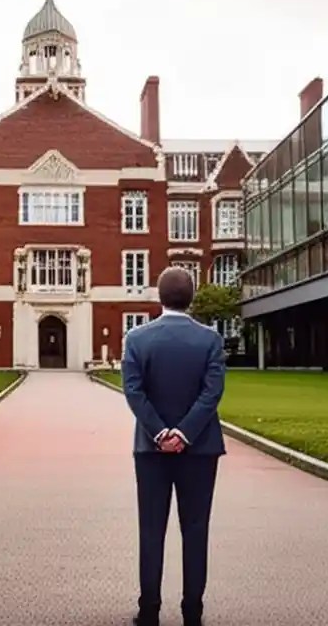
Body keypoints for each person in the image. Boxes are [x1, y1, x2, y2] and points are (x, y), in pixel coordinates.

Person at [121, 266, 226, 626]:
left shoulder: (137, 338)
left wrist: (161, 432)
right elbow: (212, 393)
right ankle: (192, 611)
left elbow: (133, 392)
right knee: (195, 529)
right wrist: (184, 433)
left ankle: (149, 610)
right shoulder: (210, 340)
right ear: (192, 297)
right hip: (201, 448)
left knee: (151, 529)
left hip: (150, 451)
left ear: (159, 296)